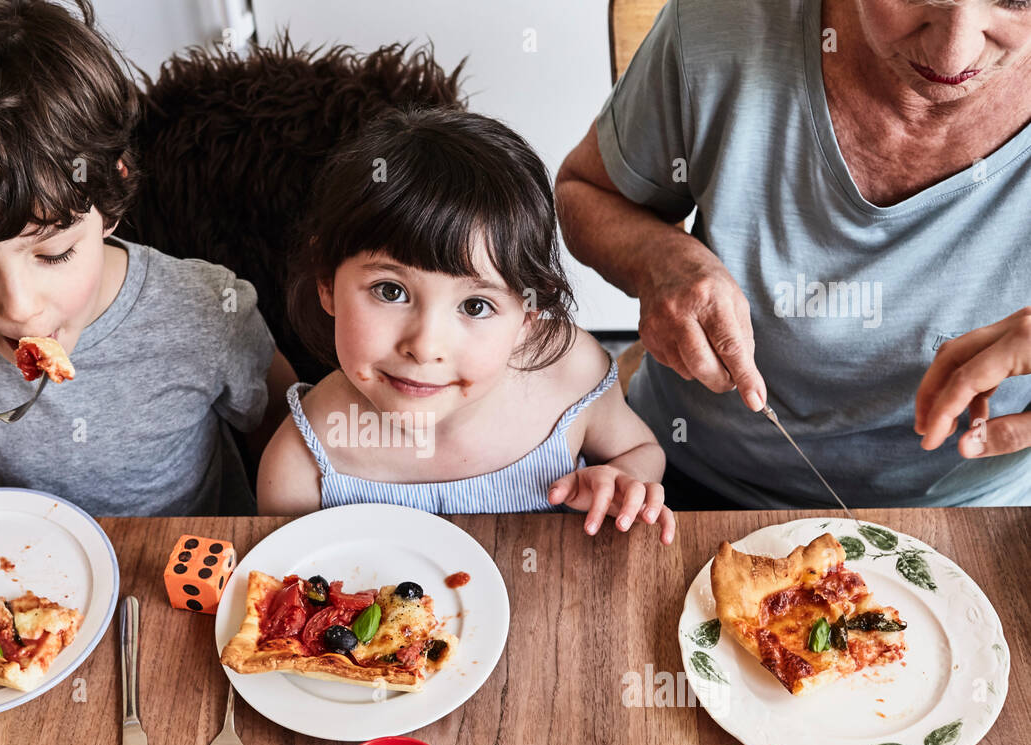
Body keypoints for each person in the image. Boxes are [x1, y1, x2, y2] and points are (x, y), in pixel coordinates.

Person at [0, 0, 293, 515]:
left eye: (55, 254)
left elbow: (284, 424)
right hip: (20, 572)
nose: (19, 308)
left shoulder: (204, 310)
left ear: (109, 200)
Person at [556, 0, 1031, 508]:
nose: (952, 53)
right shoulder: (719, 20)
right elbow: (583, 192)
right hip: (691, 483)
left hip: (981, 514)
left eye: (1014, 1)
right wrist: (660, 261)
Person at [258, 108, 675, 543]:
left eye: (475, 306)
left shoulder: (569, 373)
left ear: (528, 317)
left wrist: (623, 481)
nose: (424, 346)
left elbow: (640, 450)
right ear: (327, 284)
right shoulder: (300, 466)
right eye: (389, 291)